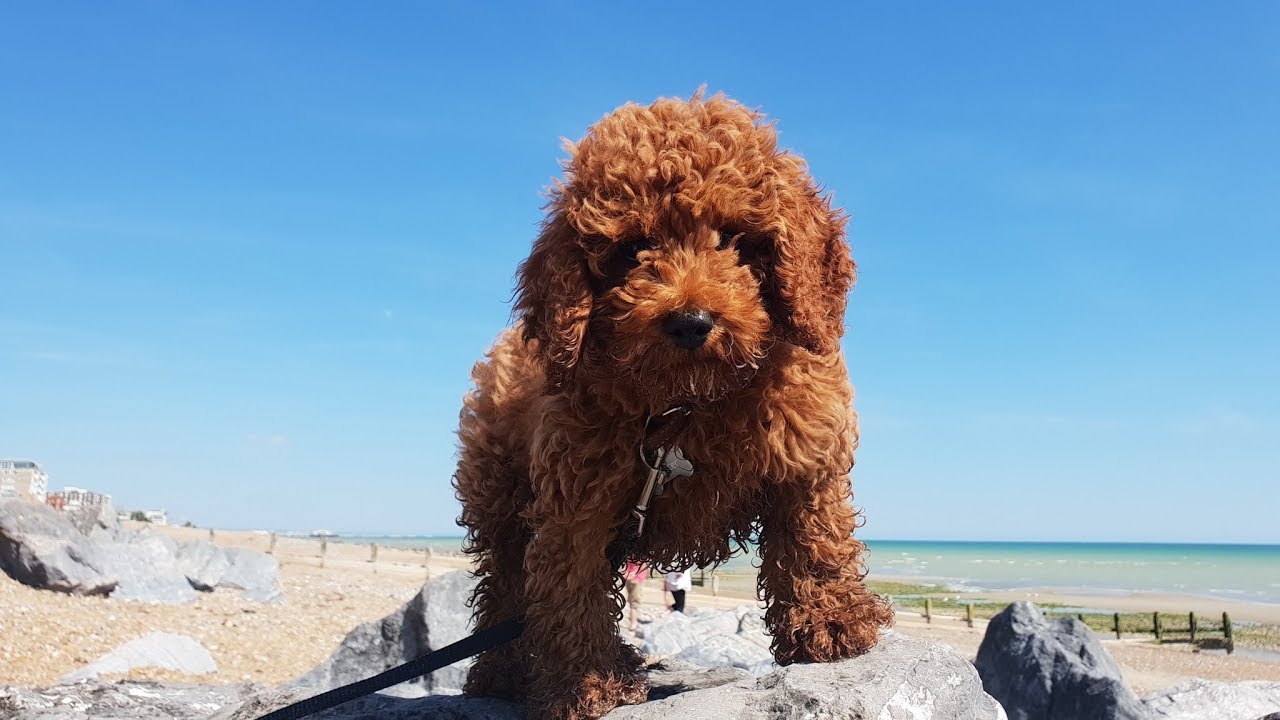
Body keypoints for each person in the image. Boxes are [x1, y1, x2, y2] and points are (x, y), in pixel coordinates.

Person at [622, 561, 648, 631]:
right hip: (631, 577)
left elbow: (643, 565)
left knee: (634, 602)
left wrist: (633, 574)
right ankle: (633, 622)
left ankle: (633, 622)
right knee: (632, 602)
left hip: (636, 578)